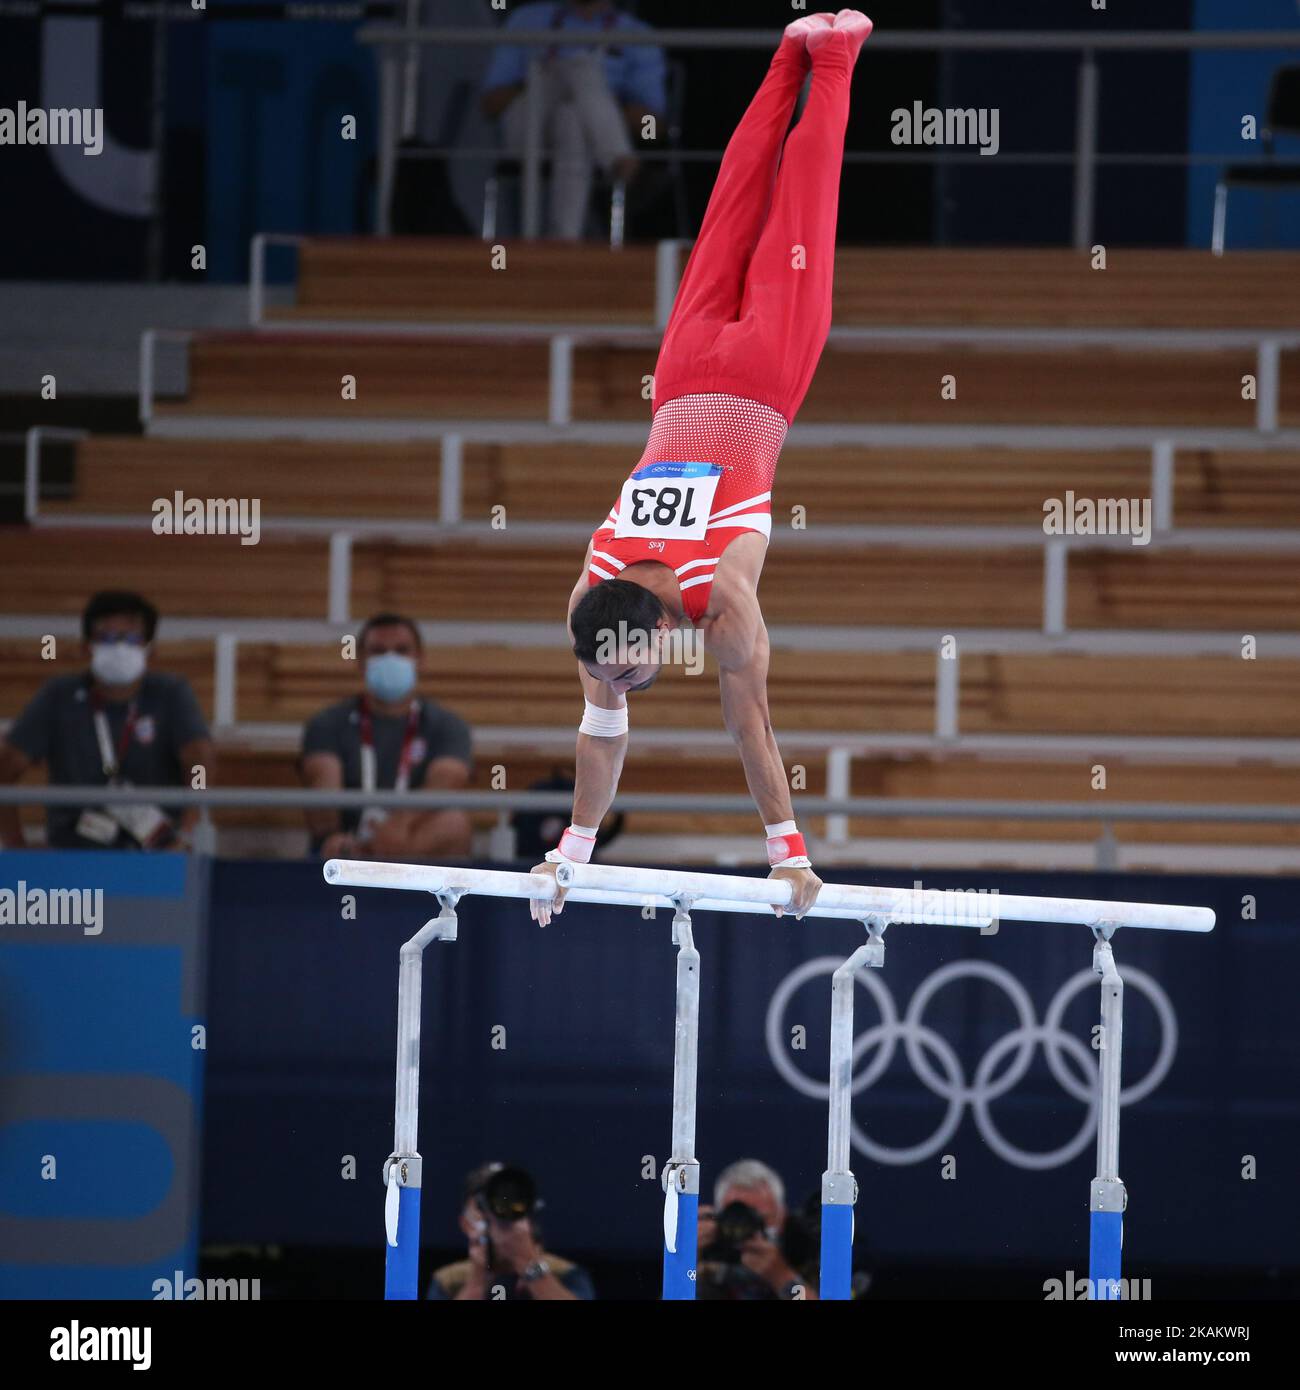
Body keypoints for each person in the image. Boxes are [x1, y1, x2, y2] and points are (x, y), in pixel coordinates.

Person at [530, 11, 873, 924]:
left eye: (634, 674)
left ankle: (828, 53)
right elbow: (601, 731)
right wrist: (569, 855)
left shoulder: (719, 600)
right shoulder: (592, 608)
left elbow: (748, 726)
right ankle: (794, 49)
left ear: (646, 630)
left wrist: (787, 853)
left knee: (792, 199)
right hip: (680, 373)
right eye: (625, 676)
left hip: (758, 378)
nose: (630, 687)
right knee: (740, 198)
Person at [0, 590, 213, 850]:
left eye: (132, 638)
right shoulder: (59, 696)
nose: (120, 648)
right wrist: (14, 844)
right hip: (74, 849)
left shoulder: (170, 693)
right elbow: (7, 770)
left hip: (158, 852)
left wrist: (187, 834)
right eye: (107, 638)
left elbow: (200, 767)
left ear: (150, 649)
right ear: (86, 647)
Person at [481, 0, 667, 240]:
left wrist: (599, 106)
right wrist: (552, 79)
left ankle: (562, 241)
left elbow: (652, 125)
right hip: (527, 126)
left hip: (587, 136)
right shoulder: (526, 20)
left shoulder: (636, 34)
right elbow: (490, 104)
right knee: (578, 69)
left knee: (571, 119)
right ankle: (622, 161)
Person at [300, 613, 473, 860]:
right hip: (348, 843)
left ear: (419, 659)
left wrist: (398, 826)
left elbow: (447, 781)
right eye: (378, 651)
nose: (390, 658)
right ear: (360, 661)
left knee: (454, 824)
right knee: (333, 844)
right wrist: (335, 836)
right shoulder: (327, 723)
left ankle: (384, 863)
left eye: (401, 650)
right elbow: (323, 795)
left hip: (412, 839)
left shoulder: (448, 725)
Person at [427, 1162, 595, 1300]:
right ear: (466, 1223)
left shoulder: (564, 1274)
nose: (496, 1217)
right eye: (482, 1207)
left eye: (508, 1202)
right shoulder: (449, 1280)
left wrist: (530, 1266)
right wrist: (477, 1282)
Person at [696, 1159, 820, 1301]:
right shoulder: (708, 1249)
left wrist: (780, 1276)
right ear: (719, 1217)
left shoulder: (804, 1248)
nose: (748, 1230)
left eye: (762, 1219)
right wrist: (687, 1257)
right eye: (738, 1218)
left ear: (782, 1215)